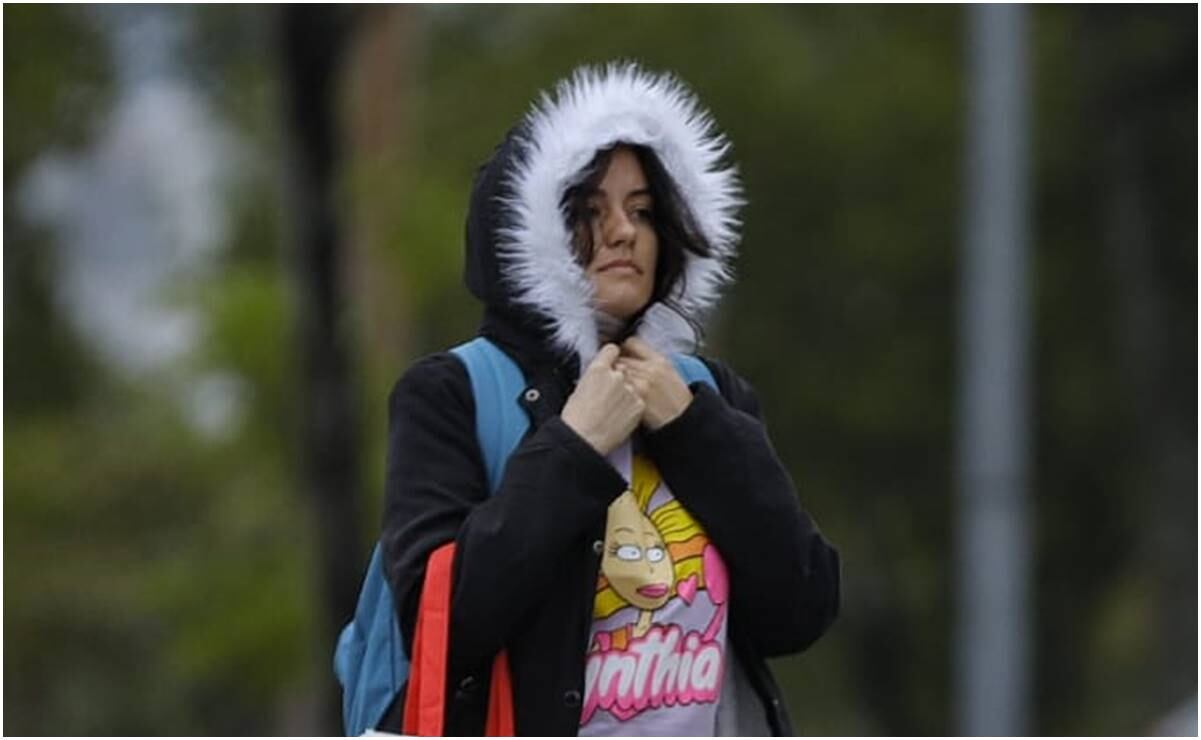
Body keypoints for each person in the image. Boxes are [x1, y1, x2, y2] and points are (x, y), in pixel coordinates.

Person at [379, 63, 840, 736]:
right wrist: (573, 448)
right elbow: (437, 629)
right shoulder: (450, 393)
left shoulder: (708, 395)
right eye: (588, 212)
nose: (624, 232)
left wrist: (694, 431)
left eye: (643, 211)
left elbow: (800, 611)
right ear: (525, 232)